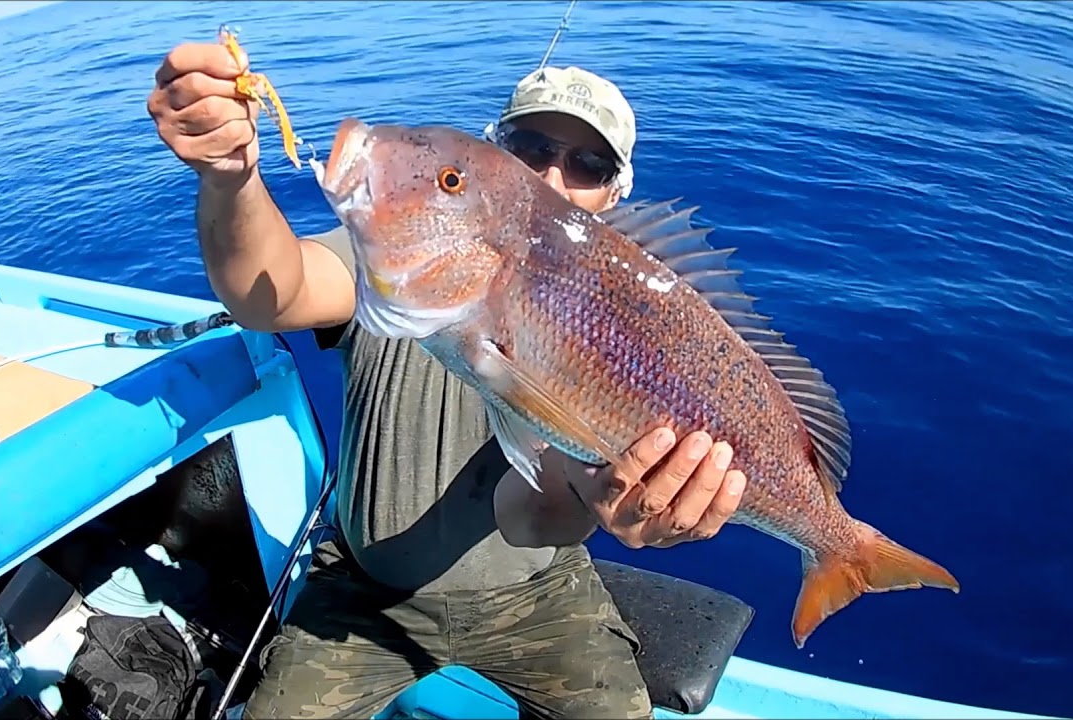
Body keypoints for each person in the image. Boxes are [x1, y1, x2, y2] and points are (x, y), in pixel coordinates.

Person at [148, 43, 749, 720]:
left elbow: (539, 518)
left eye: (587, 164)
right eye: (530, 146)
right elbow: (269, 293)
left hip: (538, 596)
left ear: (613, 196)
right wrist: (230, 181)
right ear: (494, 152)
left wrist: (628, 506)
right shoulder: (394, 255)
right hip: (364, 590)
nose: (552, 176)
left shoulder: (619, 333)